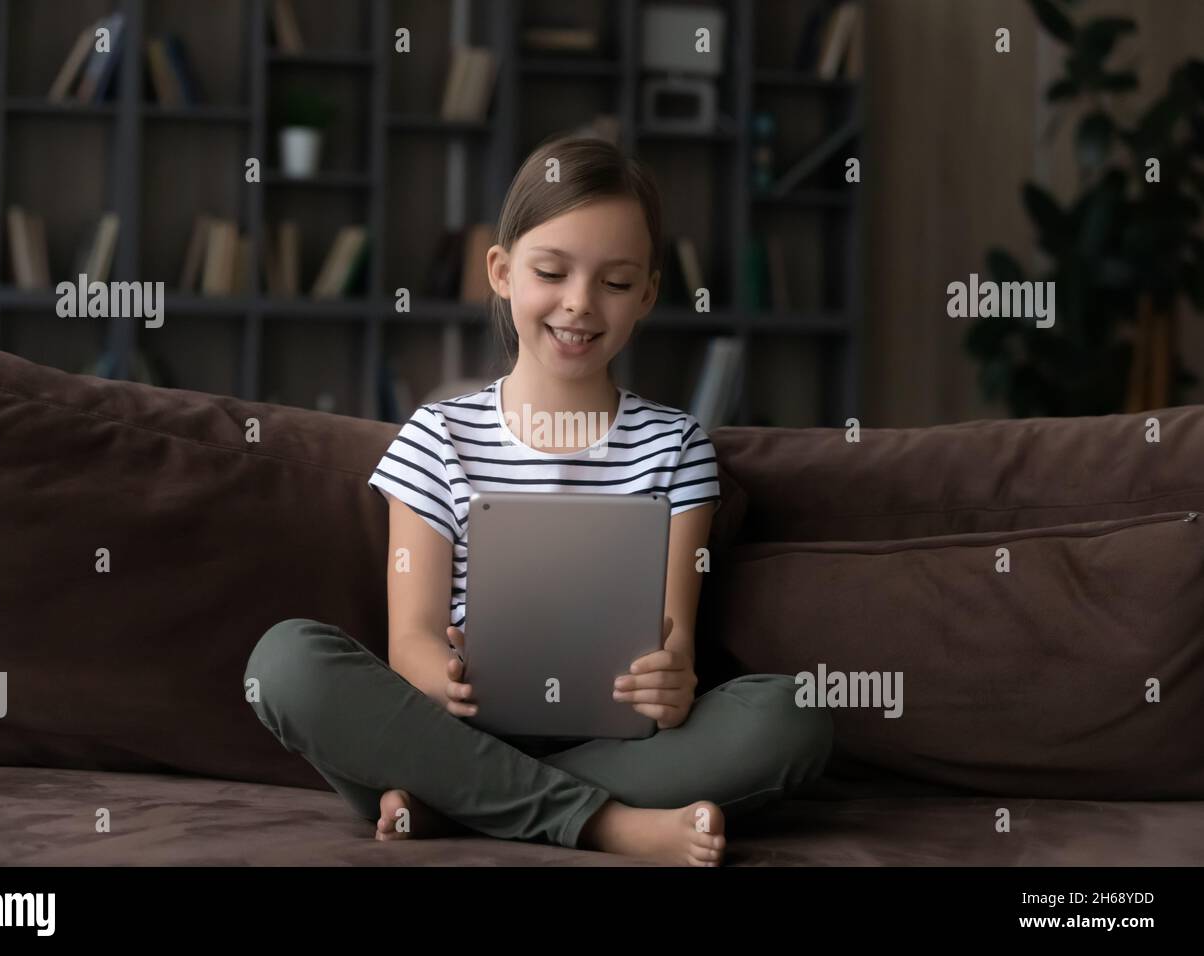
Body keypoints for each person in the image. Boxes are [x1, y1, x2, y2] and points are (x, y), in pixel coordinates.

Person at [246, 136, 833, 866]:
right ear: (502, 271)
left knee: (796, 711)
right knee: (284, 662)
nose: (579, 305)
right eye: (551, 272)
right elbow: (412, 643)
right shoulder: (437, 436)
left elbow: (674, 640)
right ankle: (605, 825)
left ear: (648, 293)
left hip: (610, 741)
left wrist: (672, 682)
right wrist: (441, 674)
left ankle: (457, 807)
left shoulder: (677, 447)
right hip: (456, 732)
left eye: (616, 284)